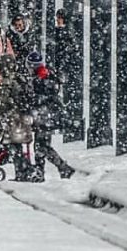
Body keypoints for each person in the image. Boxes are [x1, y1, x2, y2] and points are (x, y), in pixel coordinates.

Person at [29, 51, 75, 179]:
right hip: (46, 115)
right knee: (41, 145)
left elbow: (48, 96)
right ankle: (48, 170)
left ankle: (58, 168)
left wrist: (34, 100)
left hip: (46, 115)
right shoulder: (45, 74)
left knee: (41, 145)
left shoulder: (43, 77)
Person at [0, 54, 36, 181]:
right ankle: (26, 169)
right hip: (23, 117)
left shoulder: (7, 82)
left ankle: (22, 172)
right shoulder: (21, 78)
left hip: (14, 119)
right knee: (20, 145)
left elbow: (5, 102)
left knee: (14, 146)